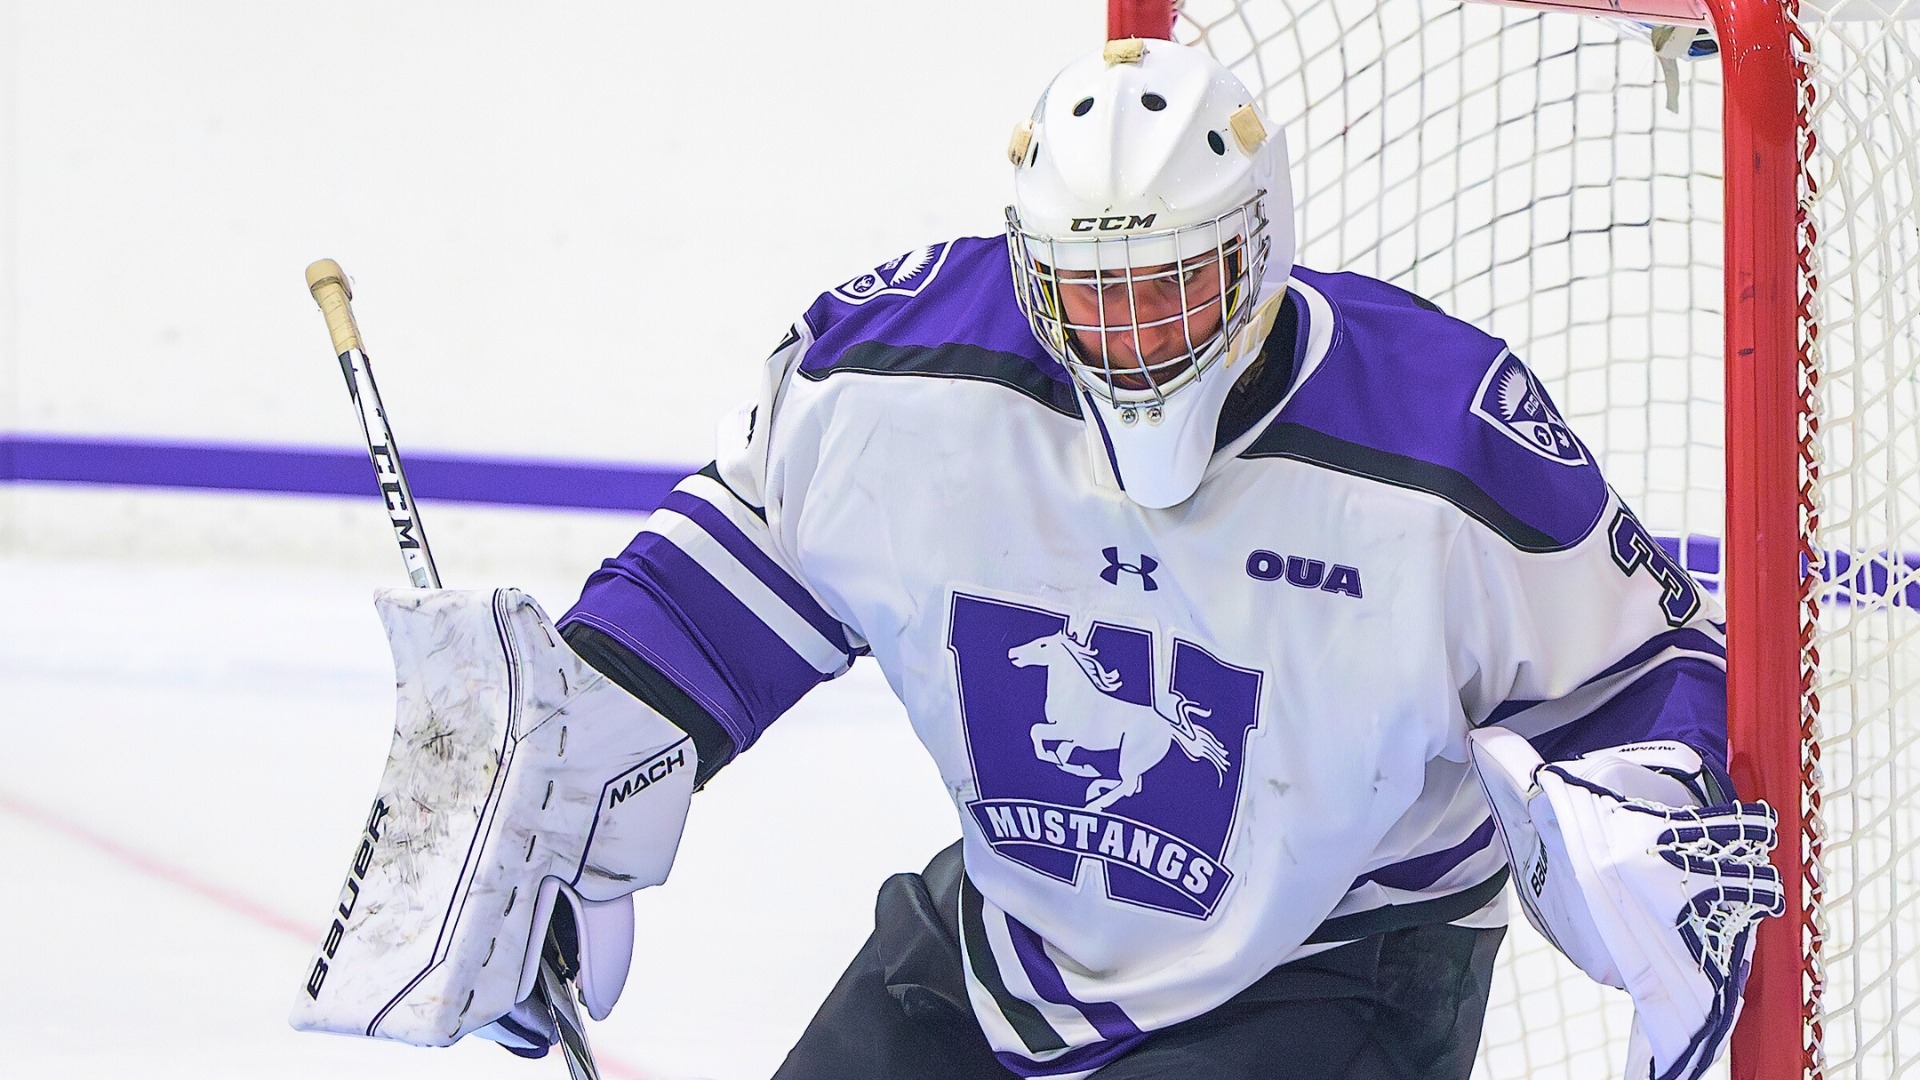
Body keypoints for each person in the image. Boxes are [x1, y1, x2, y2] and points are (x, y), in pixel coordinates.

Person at [292, 37, 1781, 1080]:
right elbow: (725, 584)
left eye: (1172, 289)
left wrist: (1641, 817)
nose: (1128, 340)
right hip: (1017, 933)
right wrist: (561, 785)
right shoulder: (901, 381)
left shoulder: (1441, 440)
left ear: (1259, 251)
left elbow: (1632, 673)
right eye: (1088, 293)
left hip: (1341, 958)